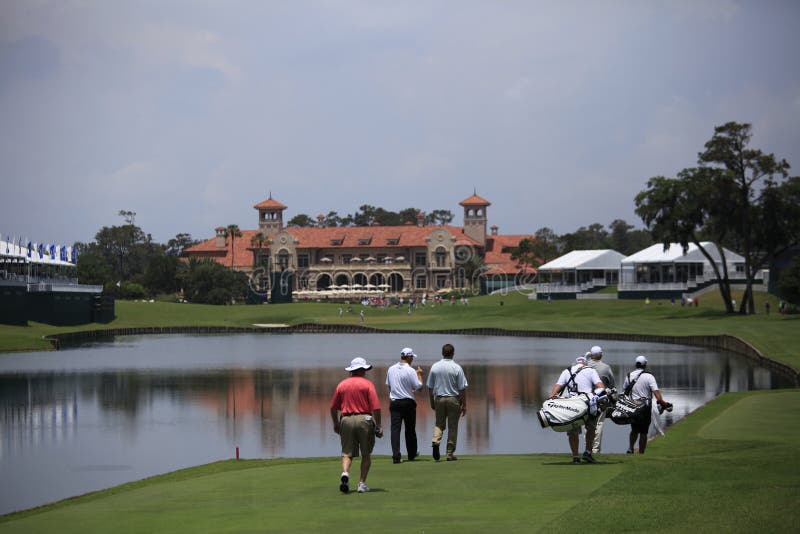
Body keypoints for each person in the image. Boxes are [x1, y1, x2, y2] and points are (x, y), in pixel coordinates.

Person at [330, 357, 382, 493]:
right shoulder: (368, 384)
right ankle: (361, 484)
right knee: (366, 454)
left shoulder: (342, 385)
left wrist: (336, 423)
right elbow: (376, 407)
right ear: (362, 370)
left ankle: (345, 473)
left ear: (351, 371)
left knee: (347, 453)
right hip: (364, 419)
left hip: (346, 420)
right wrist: (379, 425)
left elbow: (333, 408)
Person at [548, 355, 606, 464]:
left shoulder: (567, 371)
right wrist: (593, 394)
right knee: (591, 428)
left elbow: (557, 386)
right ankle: (588, 452)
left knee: (573, 431)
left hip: (572, 405)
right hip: (588, 403)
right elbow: (601, 387)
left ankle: (575, 456)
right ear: (585, 363)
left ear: (576, 363)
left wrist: (551, 399)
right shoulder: (591, 371)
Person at [427, 343, 468, 461]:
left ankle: (435, 441)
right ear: (453, 354)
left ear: (442, 353)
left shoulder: (435, 366)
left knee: (439, 424)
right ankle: (449, 453)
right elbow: (462, 388)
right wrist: (464, 405)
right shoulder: (457, 367)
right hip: (453, 399)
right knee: (452, 427)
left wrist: (431, 401)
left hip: (439, 398)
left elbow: (430, 387)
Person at [623, 355, 671, 455]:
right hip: (645, 407)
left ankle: (630, 448)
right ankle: (641, 453)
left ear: (636, 364)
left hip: (633, 406)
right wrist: (663, 403)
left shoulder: (629, 375)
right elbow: (656, 393)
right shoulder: (649, 376)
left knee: (634, 429)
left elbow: (625, 391)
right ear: (645, 365)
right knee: (644, 432)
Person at [386, 347, 424, 463]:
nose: (412, 359)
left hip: (395, 402)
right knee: (410, 429)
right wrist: (419, 374)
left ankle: (396, 456)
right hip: (408, 403)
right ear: (408, 357)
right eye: (412, 357)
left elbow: (389, 386)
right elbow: (419, 387)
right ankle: (411, 454)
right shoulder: (411, 370)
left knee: (395, 430)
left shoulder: (391, 369)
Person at [585, 345, 615, 454]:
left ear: (591, 355)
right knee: (598, 424)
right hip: (601, 400)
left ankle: (587, 447)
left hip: (586, 399)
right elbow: (612, 385)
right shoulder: (606, 367)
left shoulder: (585, 365)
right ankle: (595, 449)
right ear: (600, 355)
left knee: (586, 424)